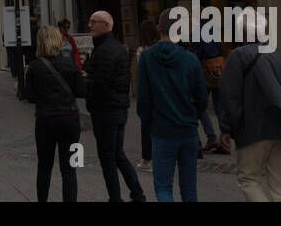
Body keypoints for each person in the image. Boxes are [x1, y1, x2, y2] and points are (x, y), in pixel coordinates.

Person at [218, 8, 281, 201]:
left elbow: (230, 95)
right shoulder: (278, 55)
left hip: (253, 128)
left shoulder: (238, 55)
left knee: (248, 179)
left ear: (243, 32)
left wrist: (227, 128)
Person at [137, 11, 207, 202]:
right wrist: (193, 117)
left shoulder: (147, 57)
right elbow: (202, 97)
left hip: (162, 131)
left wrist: (150, 122)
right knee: (189, 190)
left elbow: (143, 98)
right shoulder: (190, 59)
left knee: (163, 187)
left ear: (159, 28)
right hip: (187, 130)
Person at [85, 10, 147, 202]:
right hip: (118, 107)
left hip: (106, 110)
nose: (89, 25)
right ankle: (137, 194)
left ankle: (116, 198)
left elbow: (100, 83)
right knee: (118, 153)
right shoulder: (117, 47)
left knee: (108, 158)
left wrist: (90, 98)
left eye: (93, 22)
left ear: (106, 25)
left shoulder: (104, 50)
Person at [21, 24, 87, 202]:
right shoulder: (70, 65)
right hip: (71, 121)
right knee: (70, 168)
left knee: (44, 166)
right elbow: (81, 92)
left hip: (45, 121)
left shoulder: (33, 67)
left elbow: (30, 97)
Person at [136, 19, 160, 171]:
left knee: (146, 127)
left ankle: (147, 159)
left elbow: (141, 74)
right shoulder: (161, 48)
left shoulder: (142, 51)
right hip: (162, 92)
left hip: (149, 93)